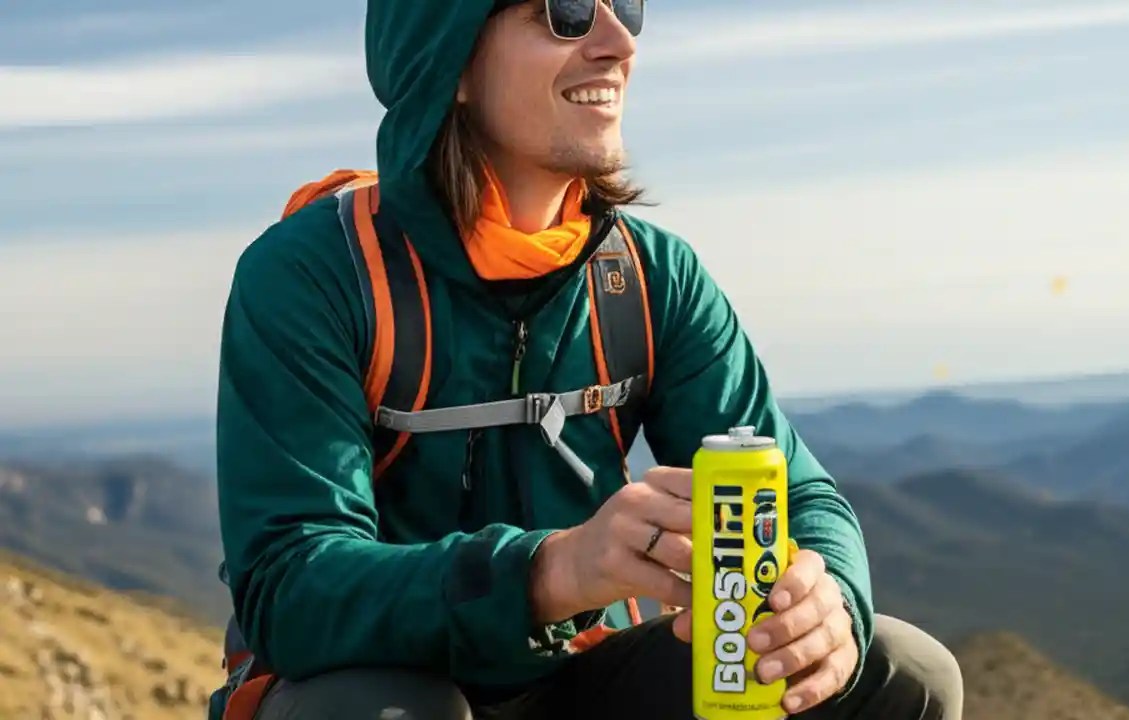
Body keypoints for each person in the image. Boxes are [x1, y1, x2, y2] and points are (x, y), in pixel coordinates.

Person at [214, 1, 963, 718]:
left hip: (583, 669)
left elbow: (799, 494)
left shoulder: (649, 274)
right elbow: (289, 585)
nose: (618, 42)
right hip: (384, 680)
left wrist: (826, 599)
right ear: (450, 61)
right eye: (563, 10)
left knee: (904, 674)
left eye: (625, 4)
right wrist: (551, 571)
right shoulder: (317, 274)